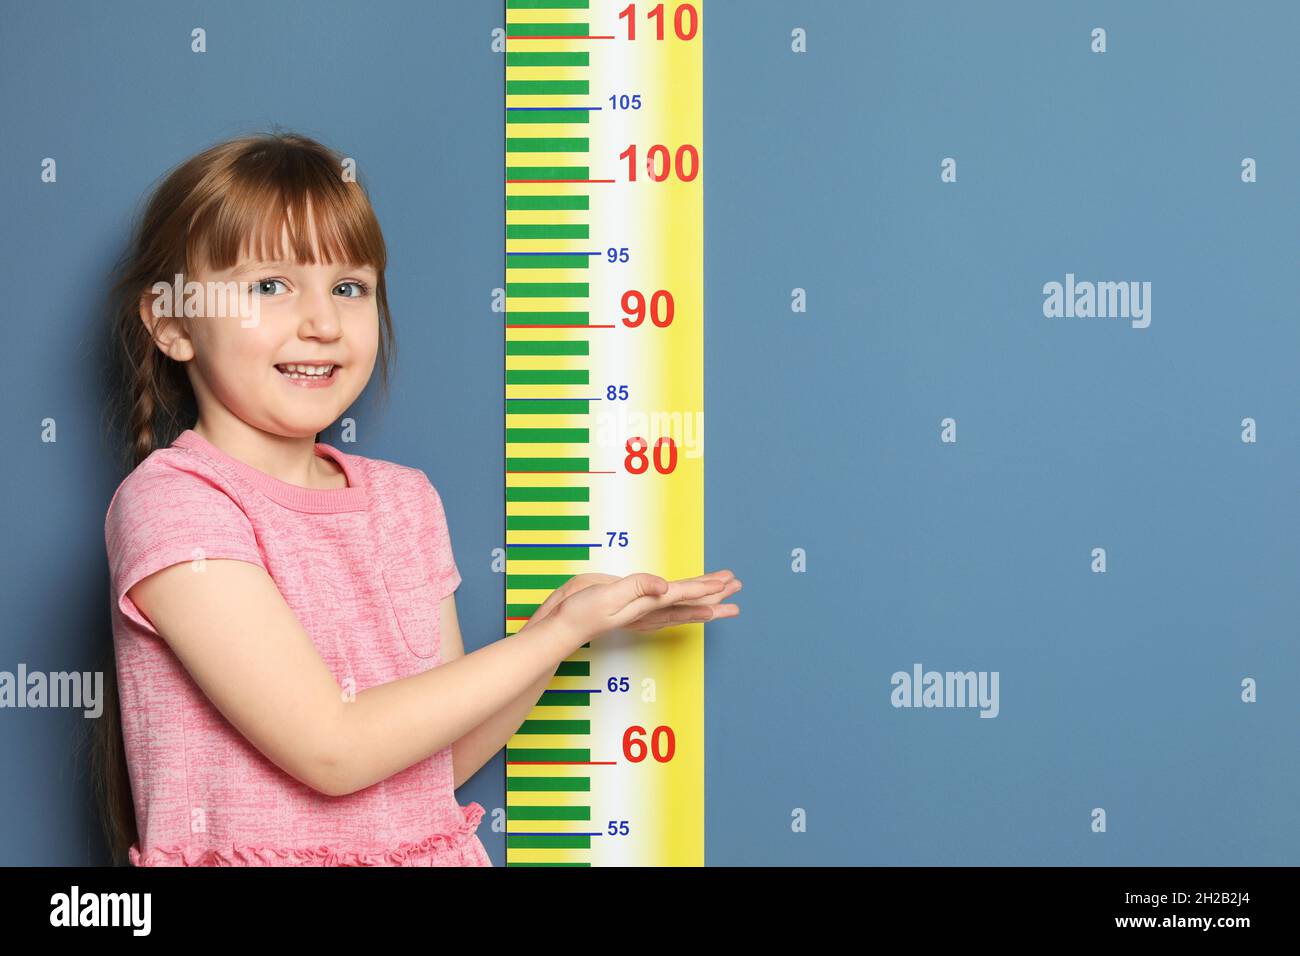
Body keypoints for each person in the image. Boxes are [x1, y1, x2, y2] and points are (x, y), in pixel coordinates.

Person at [93, 131, 742, 866]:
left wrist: (563, 624)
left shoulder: (403, 502)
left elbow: (439, 760)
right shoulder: (177, 504)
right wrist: (547, 640)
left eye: (350, 287)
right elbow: (331, 749)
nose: (324, 322)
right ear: (173, 322)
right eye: (269, 286)